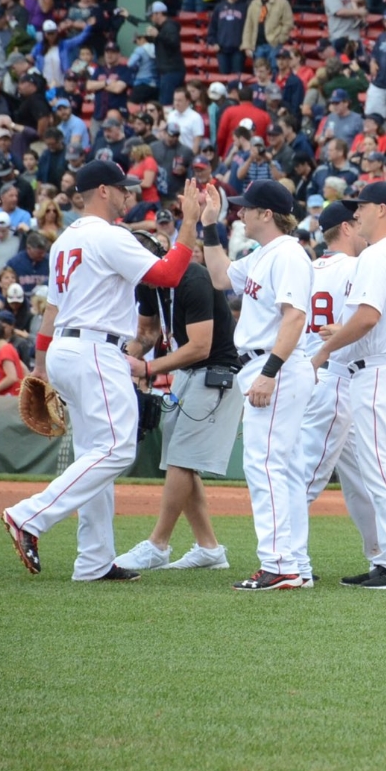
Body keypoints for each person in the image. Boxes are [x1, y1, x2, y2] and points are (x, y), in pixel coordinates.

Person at [1, 160, 197, 582]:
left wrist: (40, 366)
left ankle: (93, 561)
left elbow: (51, 309)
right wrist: (191, 223)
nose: (130, 194)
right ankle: (29, 516)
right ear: (104, 191)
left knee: (96, 452)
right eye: (124, 188)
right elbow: (168, 273)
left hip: (67, 348)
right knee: (117, 449)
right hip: (95, 350)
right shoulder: (107, 236)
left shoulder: (64, 240)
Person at [309, 183, 386, 590]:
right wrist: (343, 332)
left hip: (380, 372)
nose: (354, 214)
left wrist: (322, 351)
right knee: (384, 469)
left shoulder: (378, 254)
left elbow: (367, 318)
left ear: (382, 209)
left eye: (359, 207)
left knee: (381, 471)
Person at [197, 178, 312, 591]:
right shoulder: (264, 254)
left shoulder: (289, 254)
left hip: (274, 365)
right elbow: (221, 276)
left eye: (247, 207)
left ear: (267, 214)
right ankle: (295, 563)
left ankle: (280, 564)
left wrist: (269, 372)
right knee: (283, 469)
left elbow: (295, 317)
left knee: (266, 467)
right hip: (267, 365)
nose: (240, 213)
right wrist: (209, 224)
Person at [113, 226, 244, 572]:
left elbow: (200, 345)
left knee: (182, 462)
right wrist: (119, 356)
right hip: (188, 376)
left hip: (215, 373)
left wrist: (146, 367)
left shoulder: (193, 278)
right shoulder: (147, 280)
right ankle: (209, 549)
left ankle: (158, 544)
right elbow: (147, 332)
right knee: (181, 461)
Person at [288, 203, 383, 585]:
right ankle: (291, 563)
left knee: (363, 477)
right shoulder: (358, 267)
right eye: (357, 223)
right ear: (346, 227)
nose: (362, 229)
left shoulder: (308, 268)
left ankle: (385, 553)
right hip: (333, 379)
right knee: (305, 478)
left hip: (312, 372)